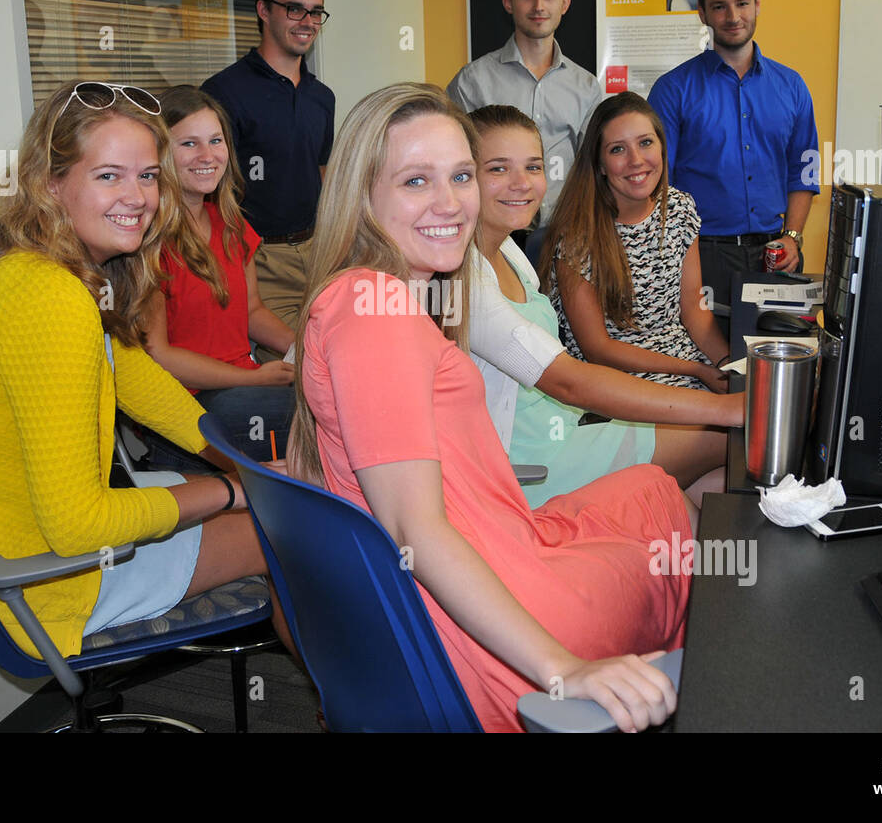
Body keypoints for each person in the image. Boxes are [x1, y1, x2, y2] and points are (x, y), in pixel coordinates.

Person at [287, 82, 689, 733]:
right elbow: (415, 528)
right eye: (416, 181)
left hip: (490, 556)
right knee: (668, 516)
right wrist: (564, 670)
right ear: (362, 195)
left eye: (461, 176)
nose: (451, 204)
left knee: (650, 487)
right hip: (487, 631)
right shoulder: (375, 311)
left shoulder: (386, 293)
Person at [0, 81, 271, 659]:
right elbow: (80, 526)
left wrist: (241, 466)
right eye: (108, 175)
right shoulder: (48, 298)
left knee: (264, 501)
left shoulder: (32, 266)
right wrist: (230, 491)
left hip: (19, 546)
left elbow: (139, 379)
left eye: (149, 175)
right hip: (45, 581)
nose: (138, 197)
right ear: (50, 184)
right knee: (295, 533)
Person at [467, 104, 731, 506]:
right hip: (536, 466)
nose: (521, 183)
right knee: (729, 442)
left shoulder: (507, 250)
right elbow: (570, 378)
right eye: (499, 169)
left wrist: (731, 372)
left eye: (533, 167)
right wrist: (726, 409)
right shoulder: (466, 282)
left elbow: (694, 310)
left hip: (566, 429)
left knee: (721, 487)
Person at [647, 0, 819, 315]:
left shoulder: (792, 87)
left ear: (757, 5)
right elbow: (658, 183)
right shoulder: (672, 90)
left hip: (775, 254)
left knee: (771, 359)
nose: (732, 16)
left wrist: (793, 237)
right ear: (702, 13)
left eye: (741, 3)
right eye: (719, 6)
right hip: (700, 254)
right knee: (708, 363)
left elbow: (803, 171)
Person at [139, 85, 296, 465]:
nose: (207, 156)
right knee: (326, 411)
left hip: (243, 385)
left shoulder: (228, 222)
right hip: (188, 400)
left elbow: (253, 313)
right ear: (159, 154)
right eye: (189, 144)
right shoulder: (146, 237)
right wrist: (254, 379)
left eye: (215, 140)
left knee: (332, 388)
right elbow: (157, 354)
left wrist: (308, 348)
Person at [541, 92, 731, 392]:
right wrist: (696, 369)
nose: (636, 160)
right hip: (616, 377)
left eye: (645, 143)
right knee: (718, 430)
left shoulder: (679, 208)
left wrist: (728, 366)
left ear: (662, 147)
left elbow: (694, 309)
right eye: (618, 149)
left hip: (684, 361)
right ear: (600, 164)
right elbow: (597, 349)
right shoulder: (577, 237)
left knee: (754, 415)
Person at [201, 0, 335, 353]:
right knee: (287, 371)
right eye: (294, 9)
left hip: (317, 253)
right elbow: (208, 188)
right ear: (264, 10)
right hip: (258, 258)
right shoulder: (224, 92)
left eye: (315, 12)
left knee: (328, 361)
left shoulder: (321, 97)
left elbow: (321, 173)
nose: (307, 21)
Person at [446, 0, 601, 219]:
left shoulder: (586, 87)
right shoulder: (472, 82)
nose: (539, 5)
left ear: (565, 3)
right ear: (509, 2)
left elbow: (593, 168)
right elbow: (452, 161)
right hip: (493, 232)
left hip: (563, 231)